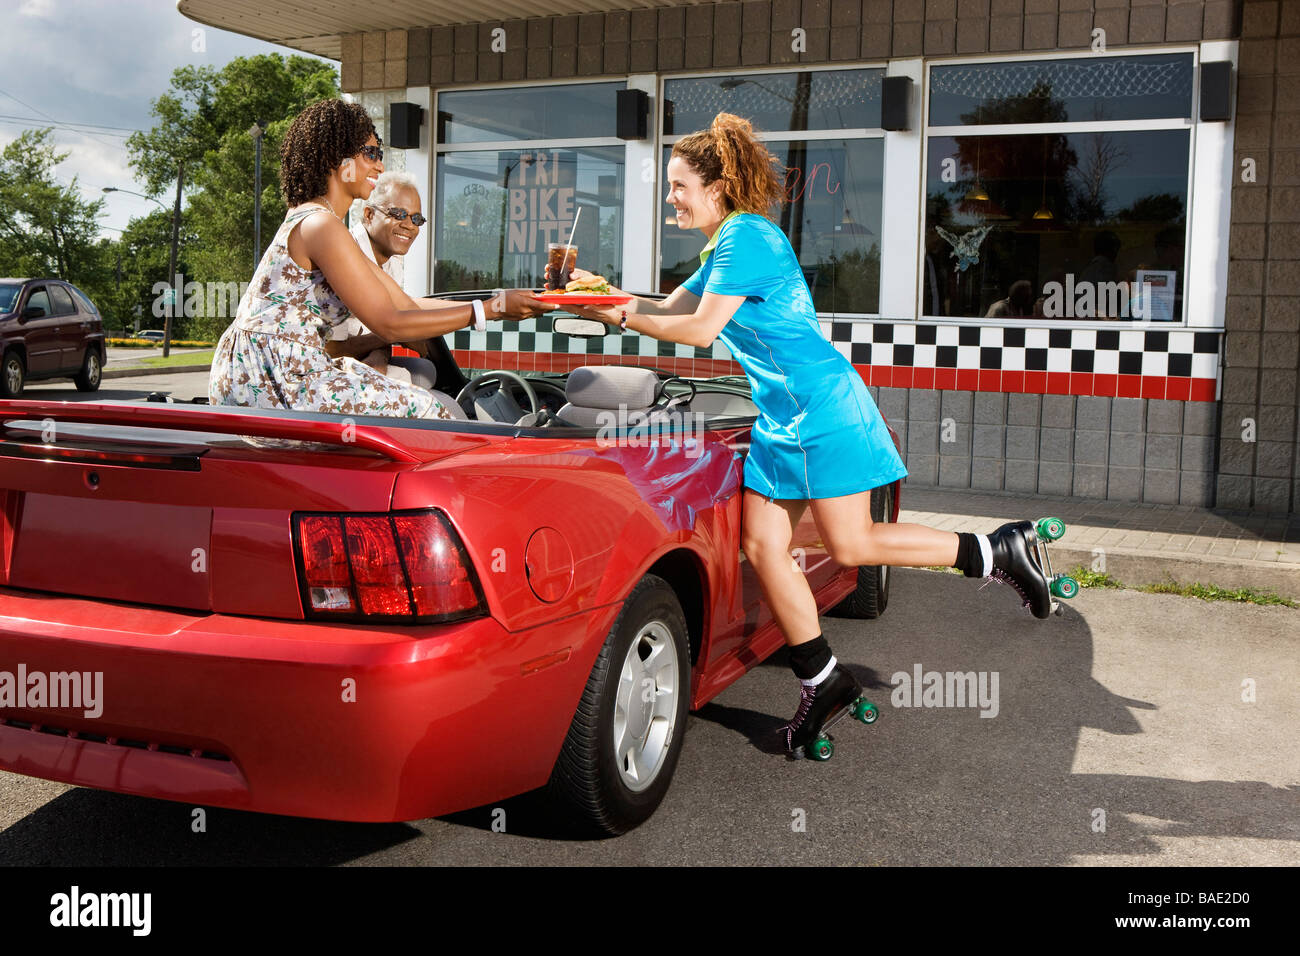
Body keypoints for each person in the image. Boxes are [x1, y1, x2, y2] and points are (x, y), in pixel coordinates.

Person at [564, 113, 1061, 757]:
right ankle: (821, 678)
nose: (670, 197)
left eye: (678, 185)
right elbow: (666, 309)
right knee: (764, 543)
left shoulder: (748, 238)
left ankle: (997, 552)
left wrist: (620, 311)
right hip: (781, 417)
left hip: (823, 406)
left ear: (716, 188)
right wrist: (598, 298)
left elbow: (697, 331)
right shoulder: (722, 247)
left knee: (850, 546)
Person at [210, 98, 548, 418]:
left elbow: (404, 304)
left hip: (273, 373)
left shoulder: (322, 223)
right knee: (434, 413)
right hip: (272, 380)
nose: (380, 164)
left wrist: (499, 304)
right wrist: (486, 311)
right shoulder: (320, 224)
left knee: (423, 403)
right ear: (335, 157)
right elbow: (389, 322)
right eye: (370, 152)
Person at [329, 170, 438, 390]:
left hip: (357, 364)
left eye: (416, 218)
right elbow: (330, 350)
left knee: (426, 372)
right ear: (368, 215)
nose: (409, 225)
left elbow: (382, 331)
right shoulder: (343, 255)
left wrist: (379, 356)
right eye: (398, 214)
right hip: (319, 372)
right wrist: (397, 334)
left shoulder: (391, 262)